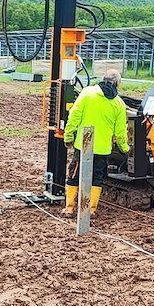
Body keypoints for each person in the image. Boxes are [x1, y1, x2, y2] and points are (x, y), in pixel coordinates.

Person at [62, 68, 130, 218]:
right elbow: (120, 132)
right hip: (103, 148)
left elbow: (74, 116)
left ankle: (69, 208)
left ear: (103, 79)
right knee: (97, 178)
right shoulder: (119, 103)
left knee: (74, 174)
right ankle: (91, 210)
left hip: (83, 145)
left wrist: (68, 136)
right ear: (117, 83)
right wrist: (125, 149)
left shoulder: (87, 93)